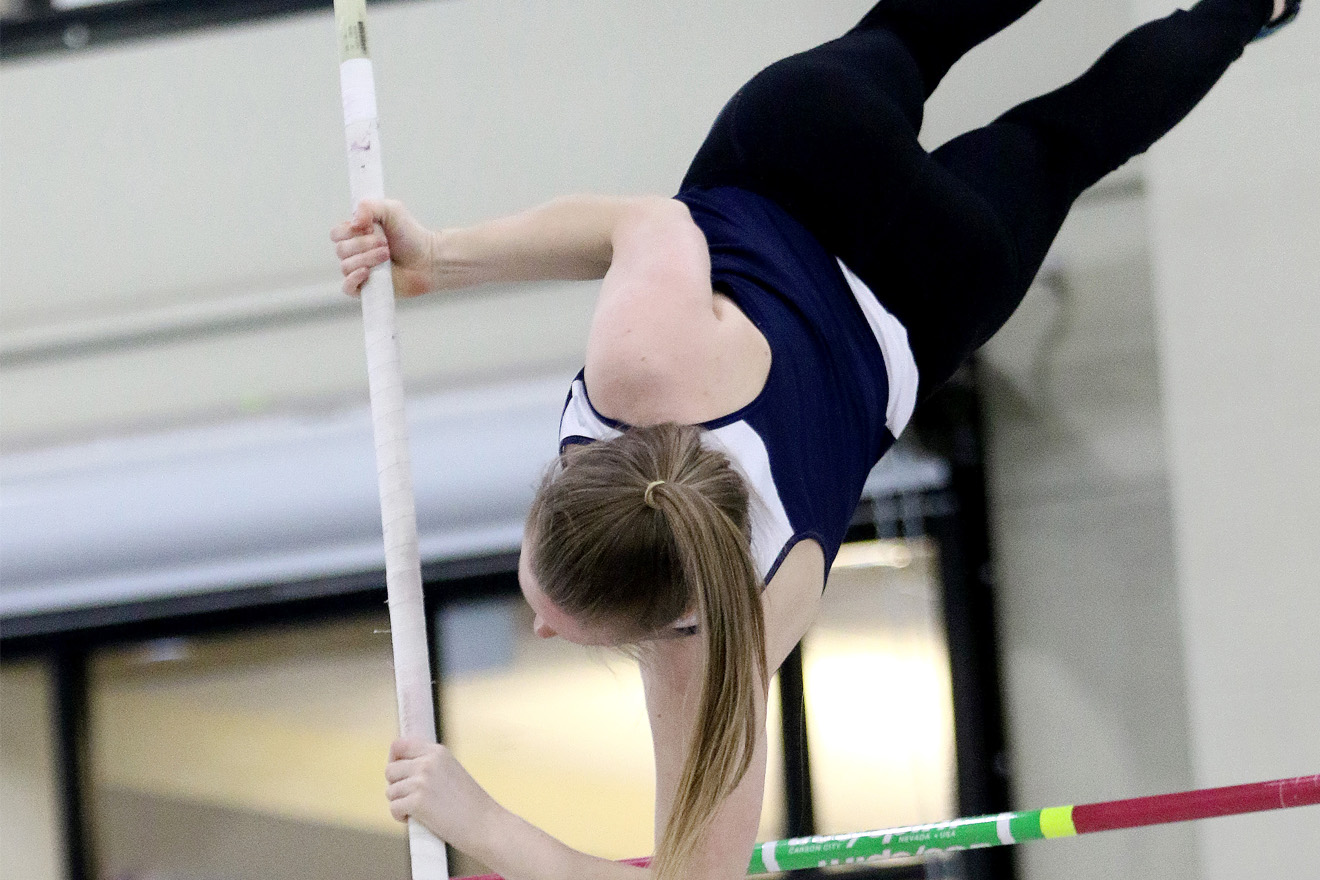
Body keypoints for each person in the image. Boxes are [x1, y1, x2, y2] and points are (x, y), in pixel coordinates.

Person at [330, 0, 1301, 877]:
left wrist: (487, 824)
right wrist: (441, 257)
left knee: (1064, 139)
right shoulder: (638, 370)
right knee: (920, 28)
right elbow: (646, 223)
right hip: (798, 156)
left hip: (930, 282)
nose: (537, 625)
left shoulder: (721, 663)